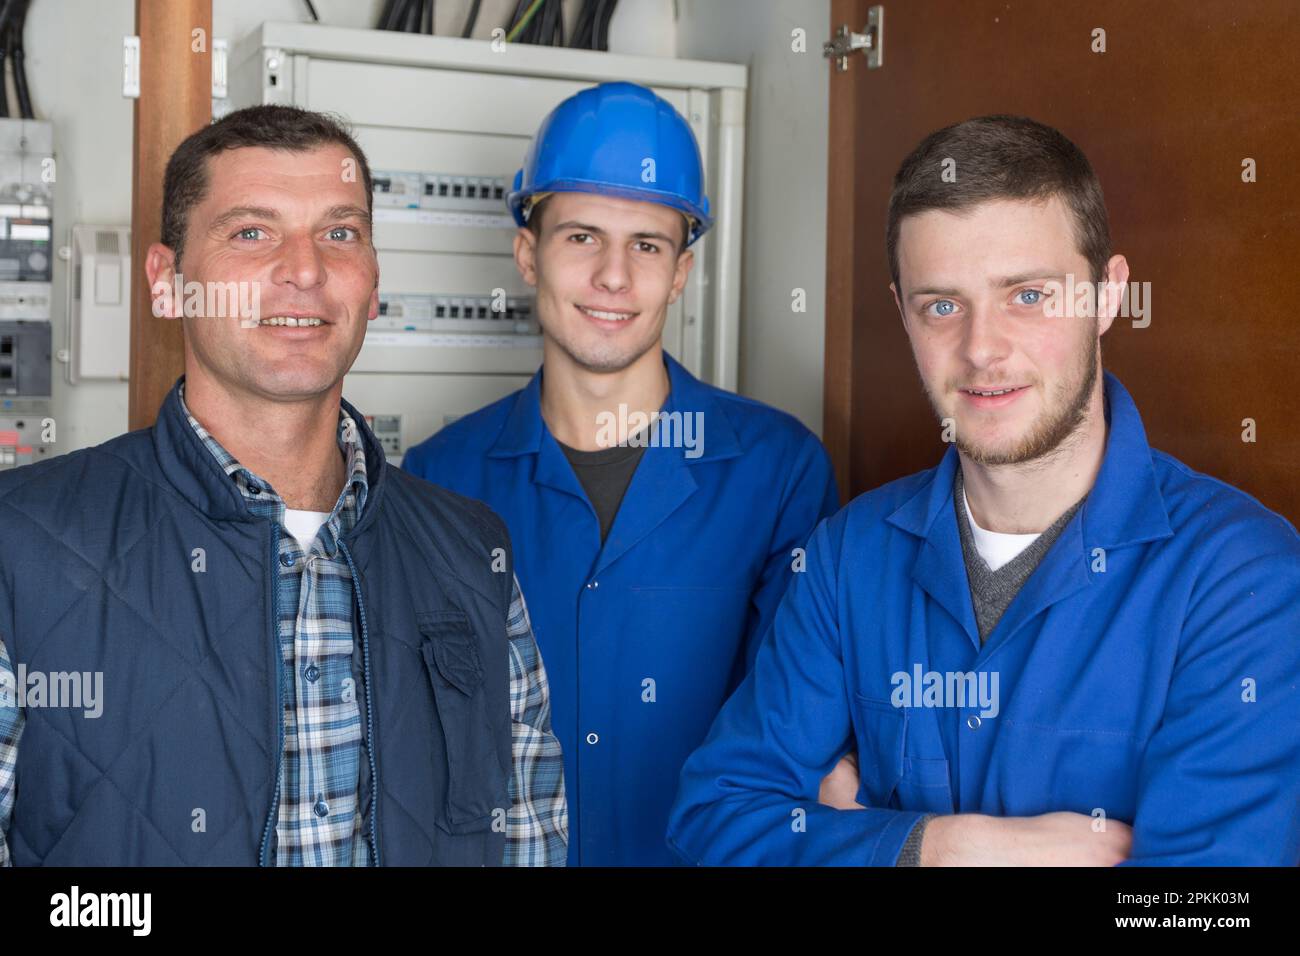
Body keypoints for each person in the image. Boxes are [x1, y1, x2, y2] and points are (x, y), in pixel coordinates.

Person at [668, 114, 1300, 866]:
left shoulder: (1242, 580)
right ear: (904, 314)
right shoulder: (846, 558)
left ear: (1108, 297)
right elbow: (715, 822)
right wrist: (943, 848)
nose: (981, 347)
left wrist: (845, 835)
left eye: (1027, 296)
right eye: (942, 305)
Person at [0, 105, 566, 866]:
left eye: (339, 232)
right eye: (252, 232)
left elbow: (531, 840)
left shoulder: (475, 554)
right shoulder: (21, 547)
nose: (305, 269)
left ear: (371, 285)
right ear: (168, 283)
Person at [403, 82, 839, 865]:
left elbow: (792, 740)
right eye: (581, 238)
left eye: (646, 244)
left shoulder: (779, 472)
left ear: (680, 272)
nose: (613, 276)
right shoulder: (440, 478)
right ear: (527, 254)